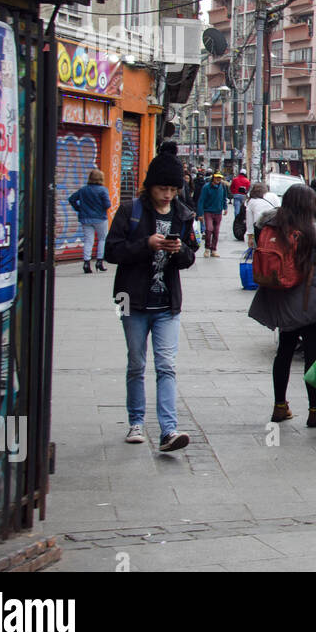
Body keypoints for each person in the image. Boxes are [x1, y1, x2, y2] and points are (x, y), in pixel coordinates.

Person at [104, 141, 196, 452]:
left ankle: (169, 431)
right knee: (136, 363)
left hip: (168, 304)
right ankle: (136, 422)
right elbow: (111, 251)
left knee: (167, 365)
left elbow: (190, 257)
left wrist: (178, 250)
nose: (168, 195)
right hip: (128, 301)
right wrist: (147, 244)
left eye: (172, 189)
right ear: (150, 187)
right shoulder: (130, 211)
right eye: (162, 188)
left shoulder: (183, 215)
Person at [248, 184, 316, 427]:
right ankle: (315, 410)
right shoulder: (312, 229)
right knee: (313, 354)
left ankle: (279, 406)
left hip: (282, 299)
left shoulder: (272, 225)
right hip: (311, 301)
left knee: (284, 350)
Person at [68, 168, 112, 273]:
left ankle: (86, 263)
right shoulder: (103, 190)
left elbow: (72, 199)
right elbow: (107, 205)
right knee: (102, 239)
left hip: (85, 218)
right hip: (100, 218)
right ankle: (99, 262)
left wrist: (79, 208)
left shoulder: (83, 190)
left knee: (88, 240)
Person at [197, 171, 231, 257]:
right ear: (213, 177)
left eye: (219, 178)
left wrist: (225, 208)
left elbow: (224, 198)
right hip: (208, 211)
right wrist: (200, 214)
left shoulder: (222, 187)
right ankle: (207, 249)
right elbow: (201, 200)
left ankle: (214, 249)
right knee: (209, 229)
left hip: (218, 212)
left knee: (216, 231)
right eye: (216, 177)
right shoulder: (206, 187)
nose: (218, 179)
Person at [244, 182, 280, 249]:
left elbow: (249, 222)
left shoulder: (251, 201)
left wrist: (250, 238)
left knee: (260, 249)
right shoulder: (273, 196)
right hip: (274, 227)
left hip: (259, 228)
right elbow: (279, 209)